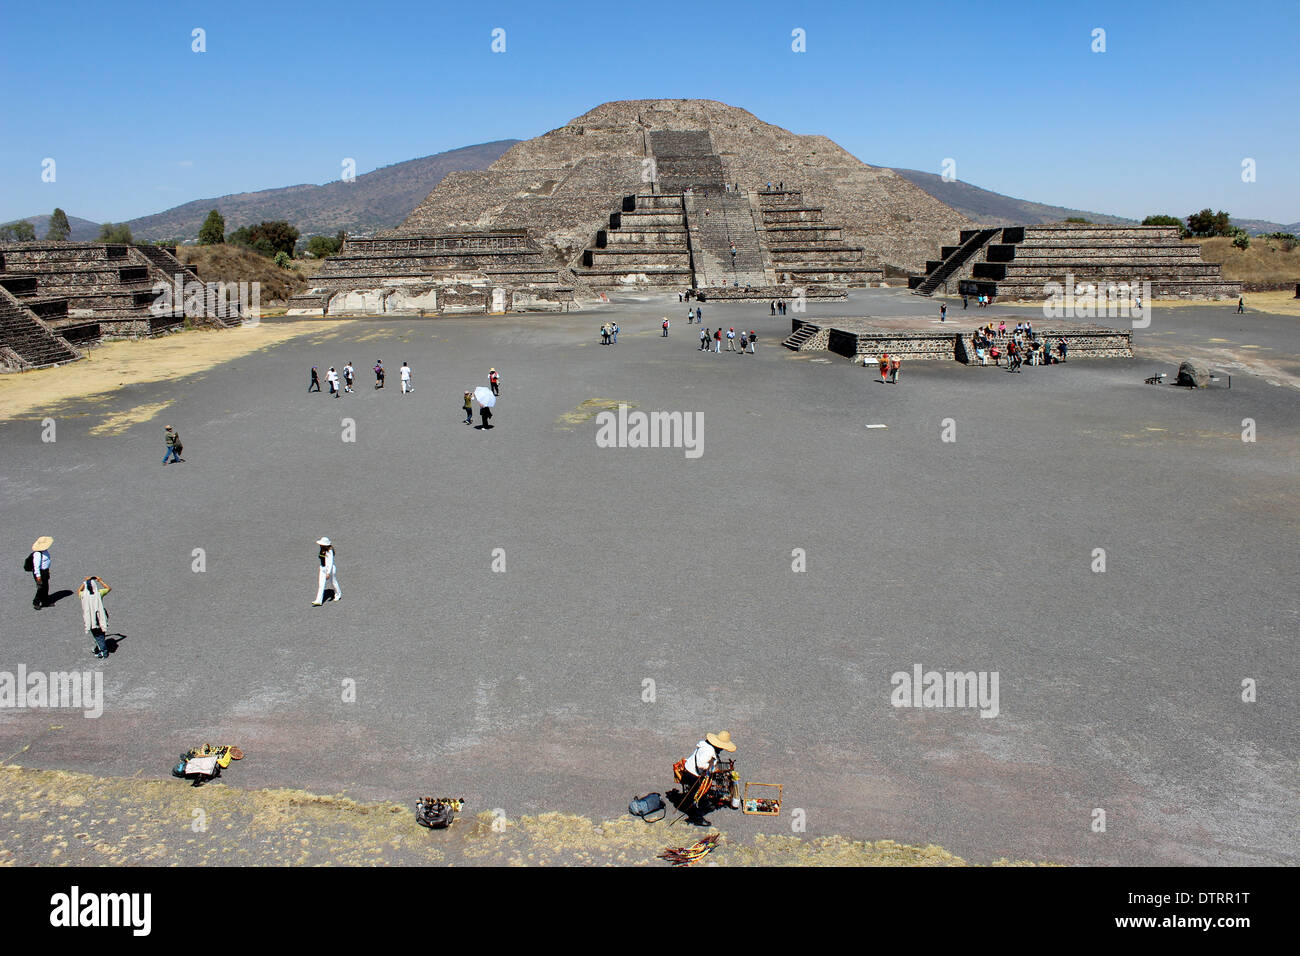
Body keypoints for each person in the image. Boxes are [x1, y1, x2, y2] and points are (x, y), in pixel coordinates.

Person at [675, 730, 737, 819]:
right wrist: (710, 768)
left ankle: (704, 804)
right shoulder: (709, 751)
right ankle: (695, 817)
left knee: (701, 792)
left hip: (690, 769)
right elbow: (701, 764)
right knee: (695, 795)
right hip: (693, 774)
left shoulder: (706, 744)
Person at [79, 575, 111, 658]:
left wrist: (85, 581)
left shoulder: (83, 595)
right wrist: (100, 580)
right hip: (101, 616)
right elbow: (108, 588)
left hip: (92, 618)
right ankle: (99, 648)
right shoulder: (99, 593)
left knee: (98, 636)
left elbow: (79, 590)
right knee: (101, 634)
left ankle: (103, 652)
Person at [312, 537, 340, 606]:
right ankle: (318, 600)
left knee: (333, 582)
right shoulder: (322, 549)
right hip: (322, 568)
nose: (320, 545)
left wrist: (328, 573)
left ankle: (338, 594)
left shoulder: (329, 551)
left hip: (330, 570)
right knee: (321, 585)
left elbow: (330, 562)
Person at [30, 536, 52, 610]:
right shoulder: (37, 554)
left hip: (45, 571)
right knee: (41, 588)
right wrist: (38, 576)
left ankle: (45, 602)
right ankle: (36, 602)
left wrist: (47, 570)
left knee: (46, 587)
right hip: (40, 572)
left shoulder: (45, 551)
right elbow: (36, 566)